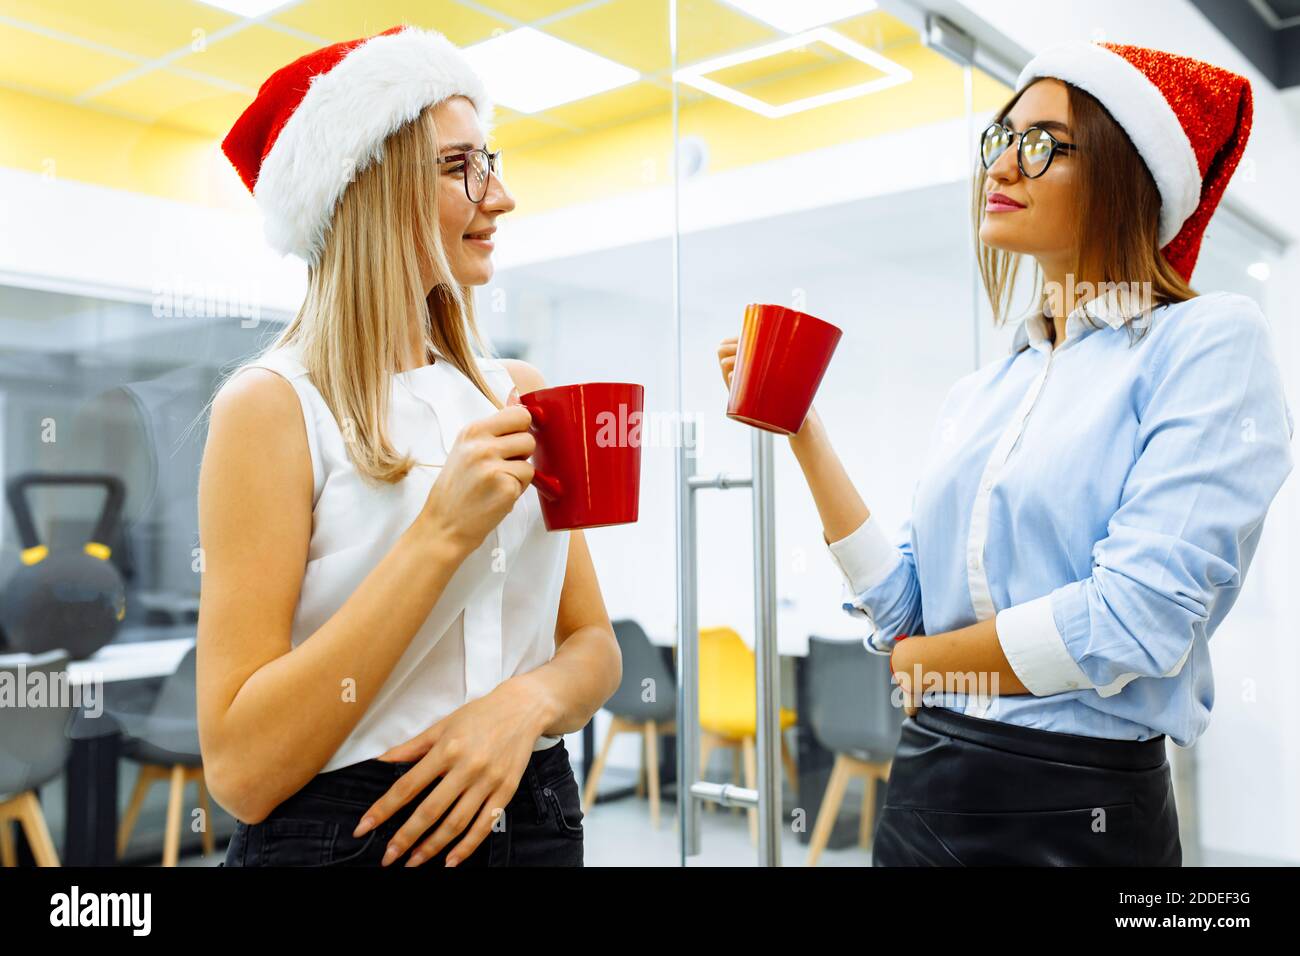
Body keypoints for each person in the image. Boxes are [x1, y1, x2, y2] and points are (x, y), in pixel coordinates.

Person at [718, 41, 1293, 866]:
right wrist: (804, 430)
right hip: (921, 789)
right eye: (999, 139)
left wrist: (926, 664)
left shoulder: (1206, 340)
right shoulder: (983, 393)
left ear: (1129, 172)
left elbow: (1136, 620)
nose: (1004, 167)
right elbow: (904, 609)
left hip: (1080, 804)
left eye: (1040, 143)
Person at [197, 25, 621, 868]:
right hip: (352, 833)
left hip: (534, 807)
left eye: (490, 163)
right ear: (370, 187)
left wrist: (522, 706)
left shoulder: (520, 392)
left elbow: (595, 647)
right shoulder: (273, 407)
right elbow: (242, 771)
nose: (498, 197)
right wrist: (440, 535)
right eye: (461, 167)